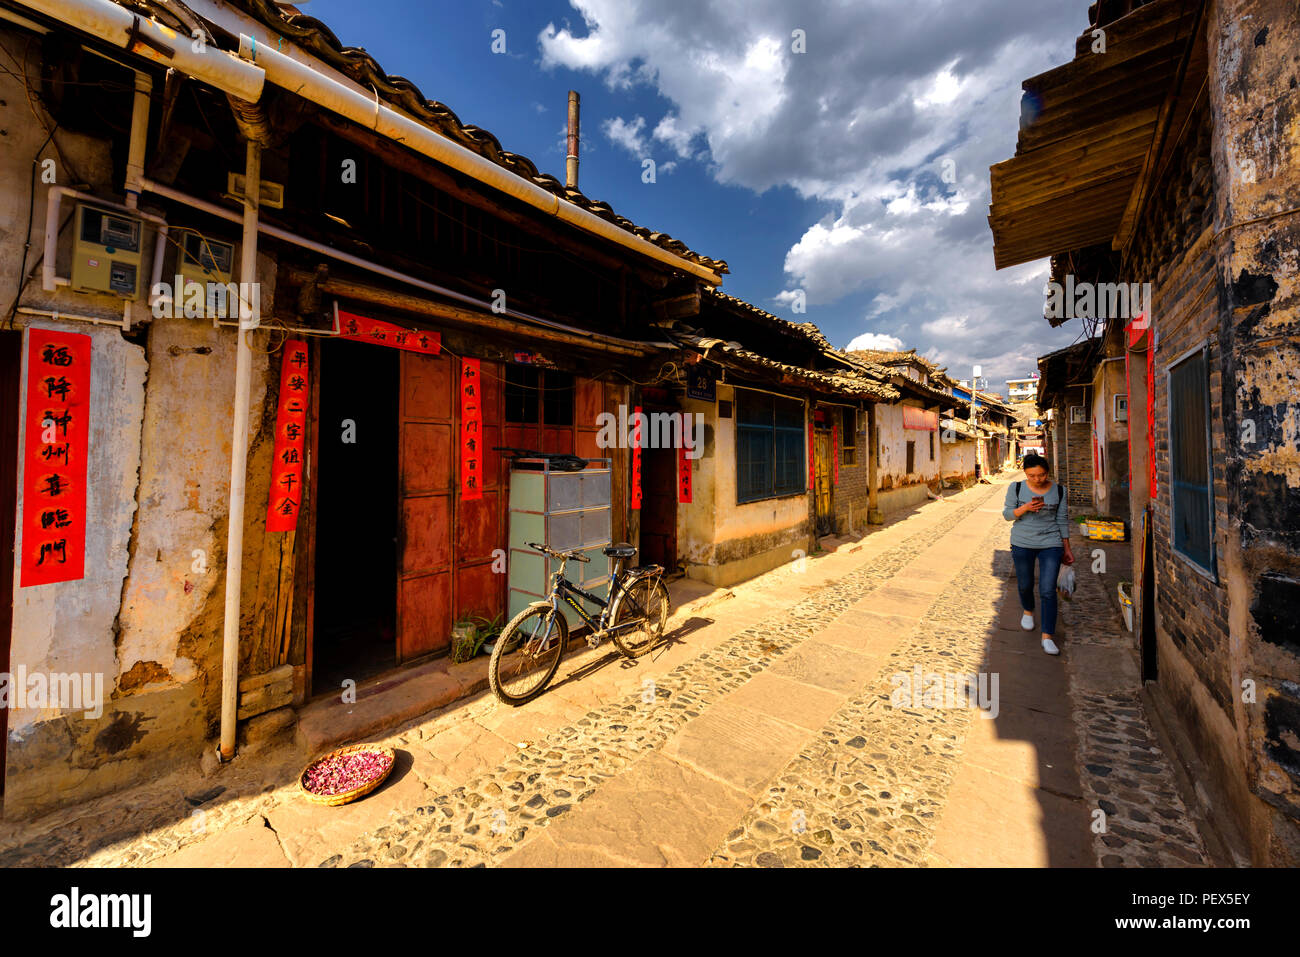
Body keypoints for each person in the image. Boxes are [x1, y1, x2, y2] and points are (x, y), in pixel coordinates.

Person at [1003, 453, 1073, 655]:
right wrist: (1024, 508)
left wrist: (1067, 548)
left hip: (1051, 542)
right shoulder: (1016, 488)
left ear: (1047, 473)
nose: (1037, 479)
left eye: (1041, 475)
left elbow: (1062, 520)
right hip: (1022, 542)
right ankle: (1028, 610)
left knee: (1048, 589)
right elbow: (1007, 515)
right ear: (1025, 474)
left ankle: (1047, 636)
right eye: (1032, 476)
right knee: (1025, 584)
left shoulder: (1059, 491)